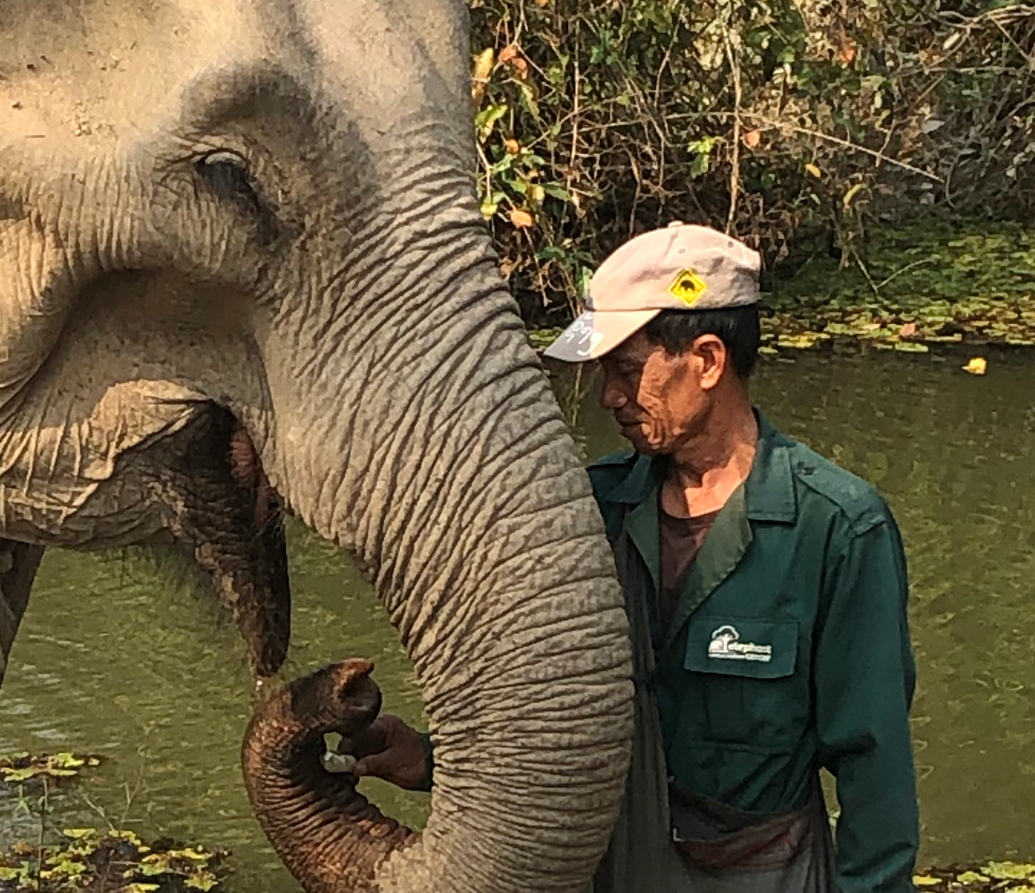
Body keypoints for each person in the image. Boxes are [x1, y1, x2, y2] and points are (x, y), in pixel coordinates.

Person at [341, 223, 919, 893]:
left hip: (764, 873)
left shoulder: (837, 528)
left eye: (626, 369)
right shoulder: (589, 511)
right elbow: (552, 712)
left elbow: (874, 772)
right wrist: (430, 759)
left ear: (706, 360)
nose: (610, 395)